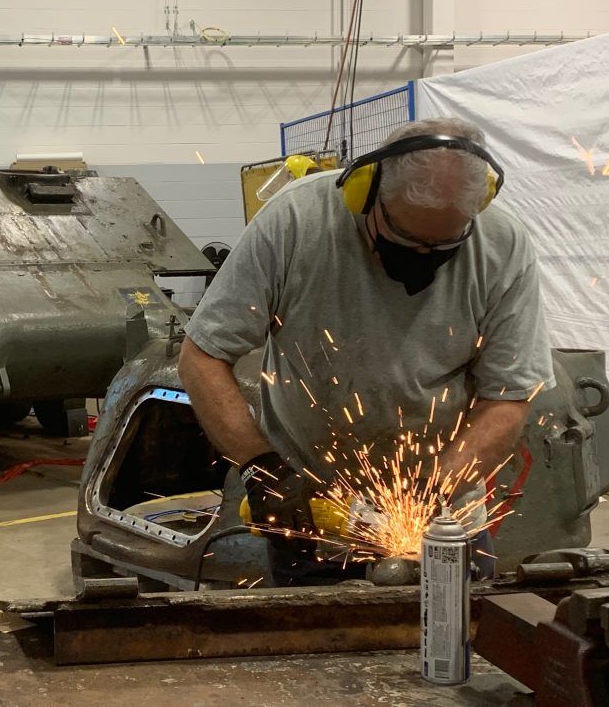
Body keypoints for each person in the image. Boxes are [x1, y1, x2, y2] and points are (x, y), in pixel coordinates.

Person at [178, 117, 554, 583]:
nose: (422, 258)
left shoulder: (502, 245)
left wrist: (436, 491)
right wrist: (263, 467)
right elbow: (202, 356)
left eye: (442, 247)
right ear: (365, 192)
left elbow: (509, 395)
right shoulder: (296, 221)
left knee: (458, 645)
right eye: (406, 240)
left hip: (444, 521)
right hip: (311, 511)